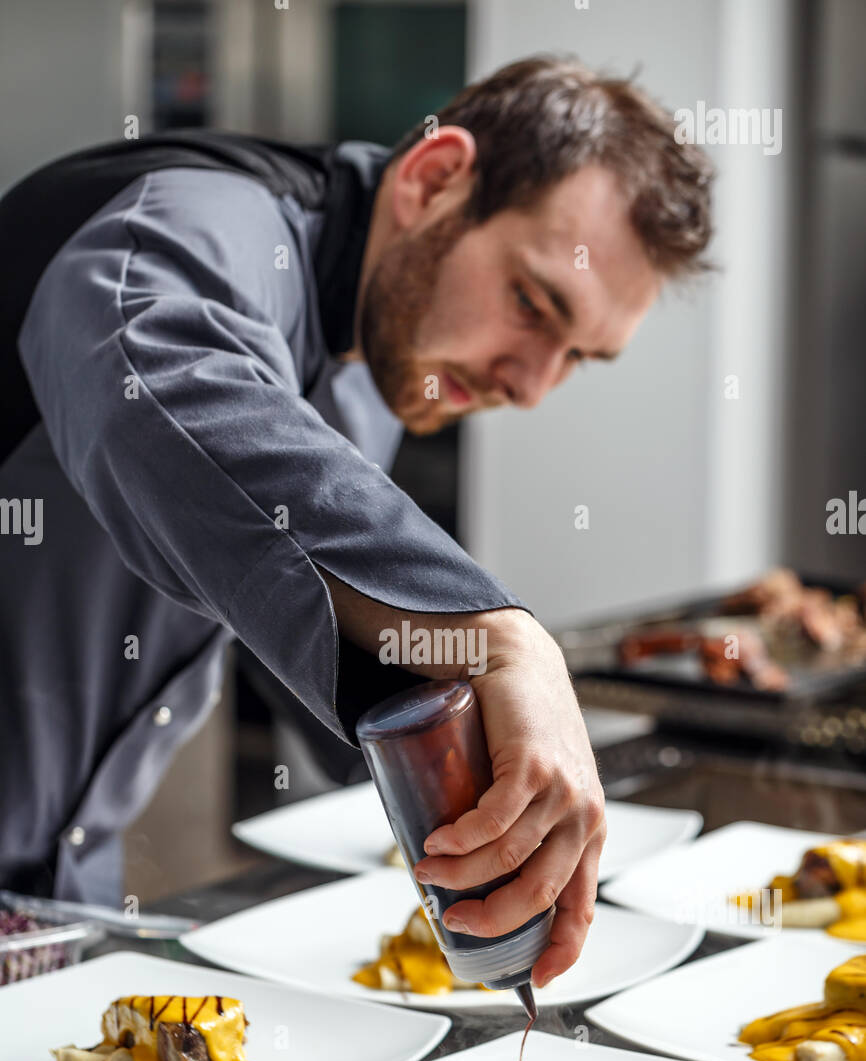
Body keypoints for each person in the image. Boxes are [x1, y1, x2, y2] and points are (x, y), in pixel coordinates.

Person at [0, 56, 712, 987]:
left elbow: (298, 599)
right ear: (432, 178)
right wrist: (502, 641)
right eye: (534, 305)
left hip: (54, 908)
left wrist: (470, 830)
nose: (530, 385)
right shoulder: (186, 223)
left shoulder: (378, 374)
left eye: (578, 356)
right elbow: (158, 381)